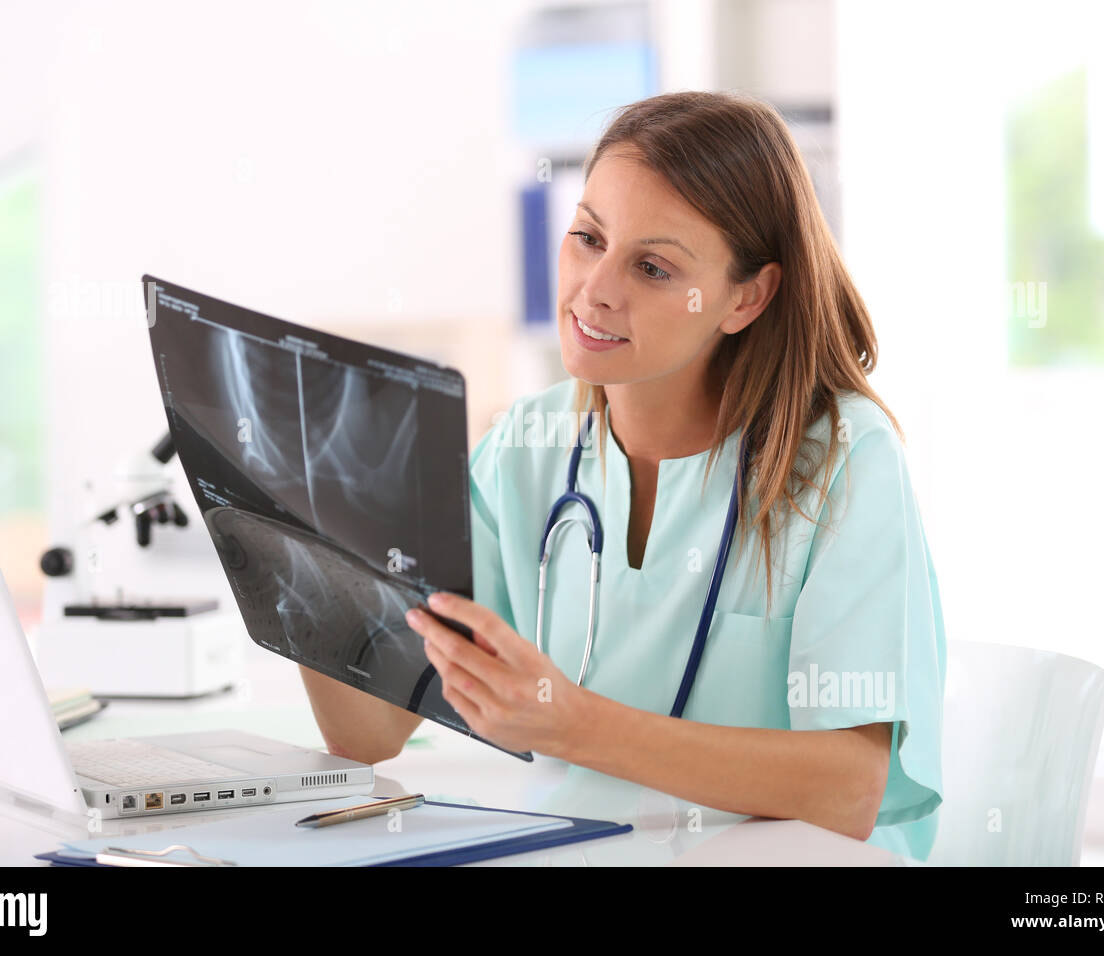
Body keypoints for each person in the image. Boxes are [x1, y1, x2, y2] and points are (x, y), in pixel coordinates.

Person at [303, 90, 946, 861]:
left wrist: (572, 722)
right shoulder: (528, 447)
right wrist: (302, 532)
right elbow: (367, 731)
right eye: (586, 237)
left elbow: (850, 790)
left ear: (746, 296)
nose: (595, 289)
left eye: (652, 266)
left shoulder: (843, 464)